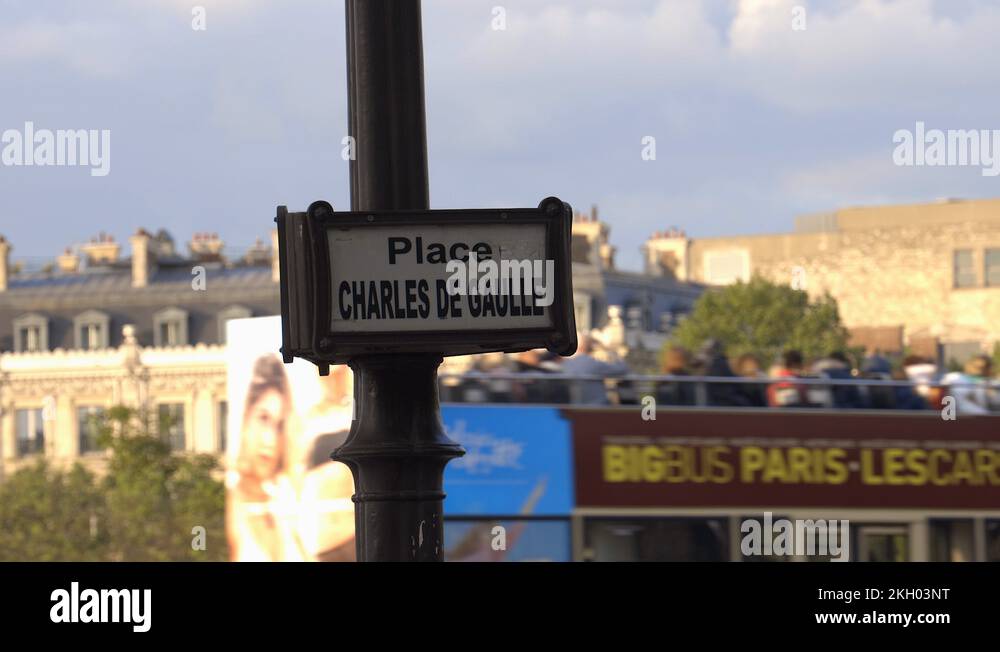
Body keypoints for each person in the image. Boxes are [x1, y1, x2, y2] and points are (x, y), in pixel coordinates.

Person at [227, 355, 305, 562]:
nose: (270, 440)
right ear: (246, 417)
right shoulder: (233, 501)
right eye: (263, 418)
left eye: (280, 425)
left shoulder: (291, 498)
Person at [561, 333, 629, 405]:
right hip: (598, 406)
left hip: (575, 407)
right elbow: (622, 369)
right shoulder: (593, 364)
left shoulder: (567, 364)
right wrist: (609, 349)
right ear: (592, 346)